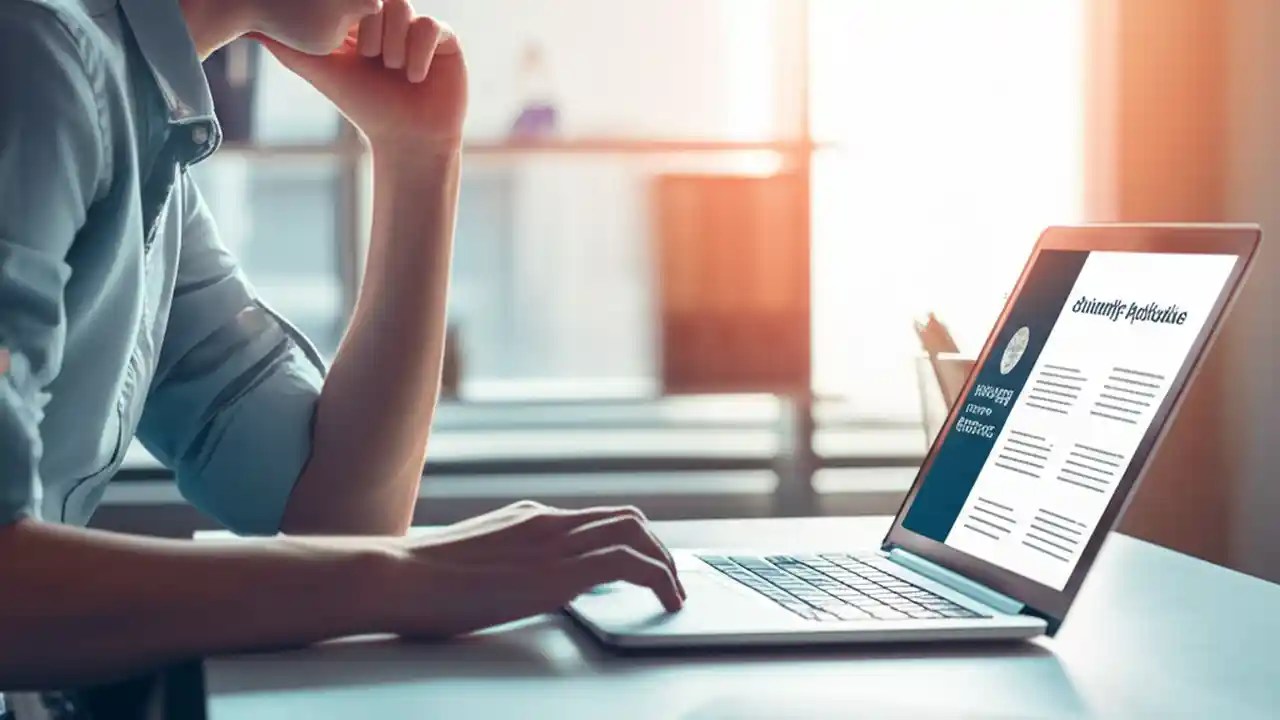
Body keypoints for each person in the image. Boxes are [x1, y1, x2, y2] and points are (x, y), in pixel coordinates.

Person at [0, 0, 685, 708]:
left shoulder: (146, 138)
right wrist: (416, 577)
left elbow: (332, 516)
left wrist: (419, 155)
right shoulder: (36, 60)